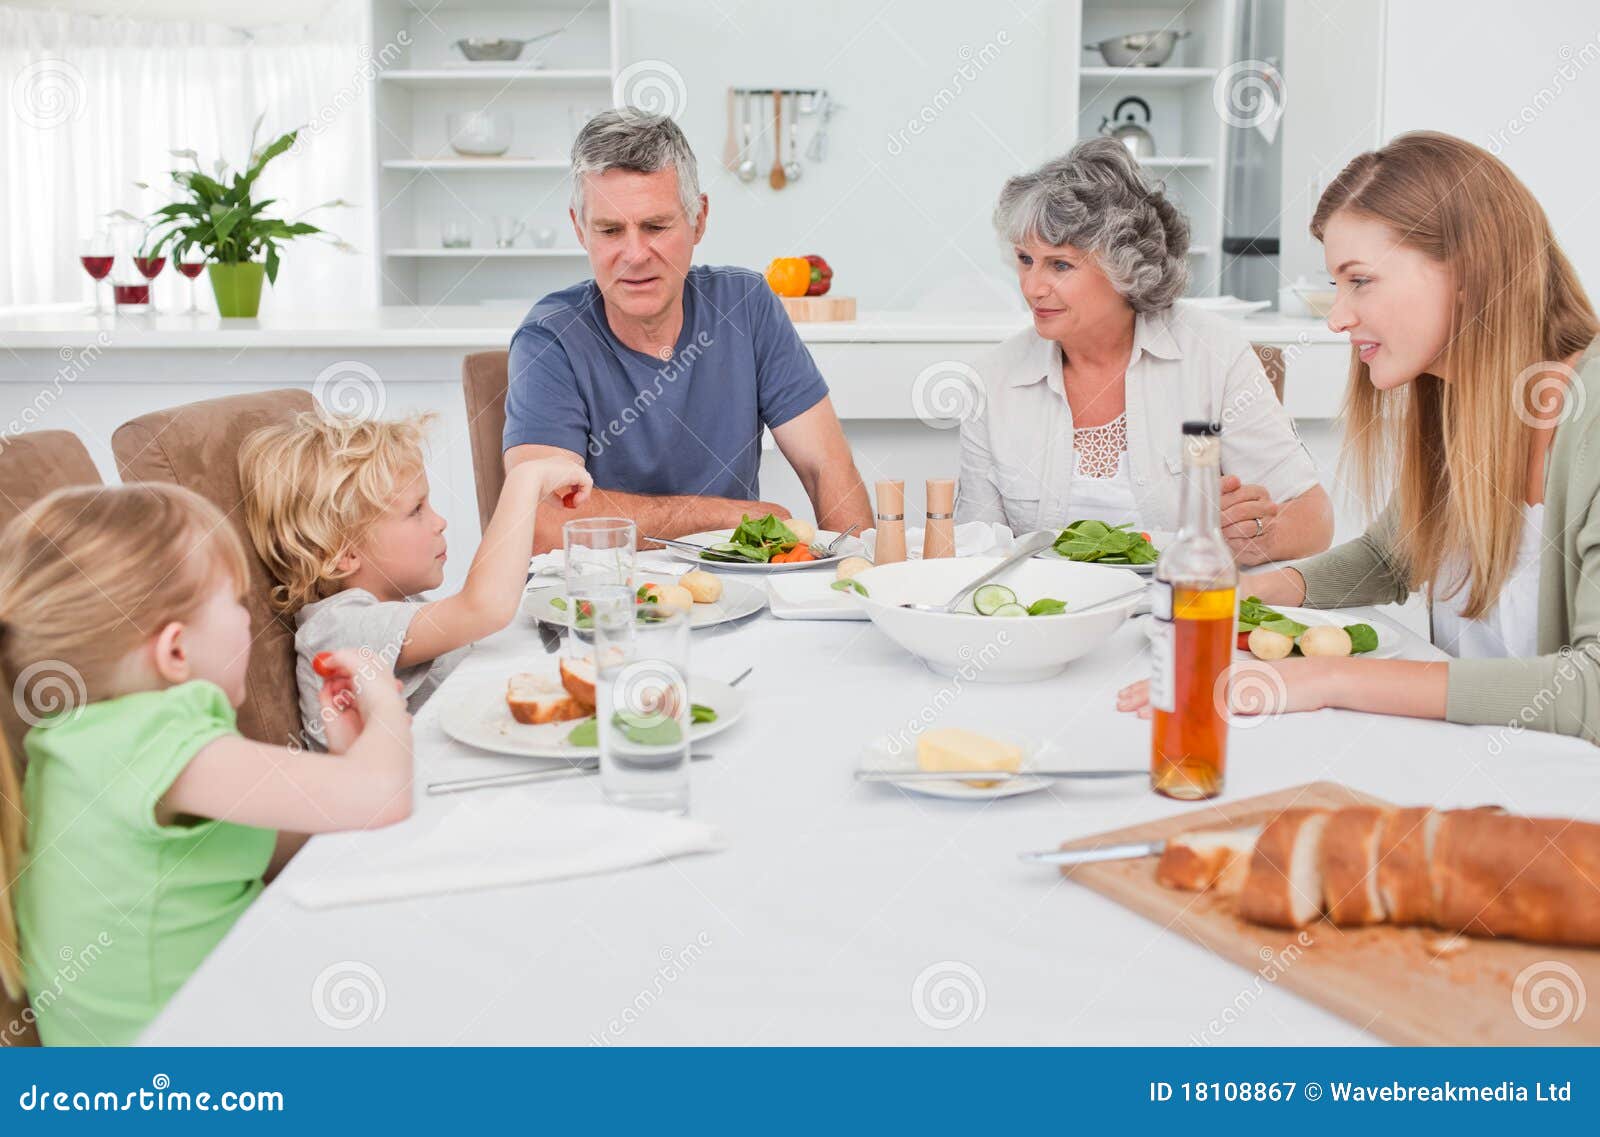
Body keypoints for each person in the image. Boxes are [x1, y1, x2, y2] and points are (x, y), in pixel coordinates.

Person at [1119, 131, 1600, 743]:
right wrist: (1244, 597)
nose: (1337, 317)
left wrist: (1326, 679)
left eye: (1361, 281)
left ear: (1469, 273)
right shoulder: (1464, 401)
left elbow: (1592, 689)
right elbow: (1389, 556)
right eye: (1337, 285)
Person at [1, 484, 411, 1044]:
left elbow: (286, 828)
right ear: (176, 651)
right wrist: (382, 697)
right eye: (236, 602)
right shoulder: (152, 737)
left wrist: (344, 762)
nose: (249, 620)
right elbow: (383, 796)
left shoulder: (73, 745)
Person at [503, 109, 872, 552]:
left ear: (699, 219)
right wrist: (730, 517)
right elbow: (543, 522)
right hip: (605, 589)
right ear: (580, 229)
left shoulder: (746, 304)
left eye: (656, 227)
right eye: (610, 230)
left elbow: (826, 466)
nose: (635, 255)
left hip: (736, 588)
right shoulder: (550, 338)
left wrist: (857, 574)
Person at [957, 138, 1333, 564]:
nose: (1031, 287)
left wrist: (1257, 536)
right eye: (1026, 259)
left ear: (1125, 265)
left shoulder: (1213, 354)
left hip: (1181, 602)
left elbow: (1314, 516)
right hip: (1043, 607)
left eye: (1060, 264)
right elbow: (975, 553)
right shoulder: (992, 381)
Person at [239, 411, 591, 748]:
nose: (440, 522)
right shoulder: (339, 631)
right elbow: (485, 608)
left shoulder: (399, 605)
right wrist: (524, 482)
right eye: (416, 510)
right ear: (342, 553)